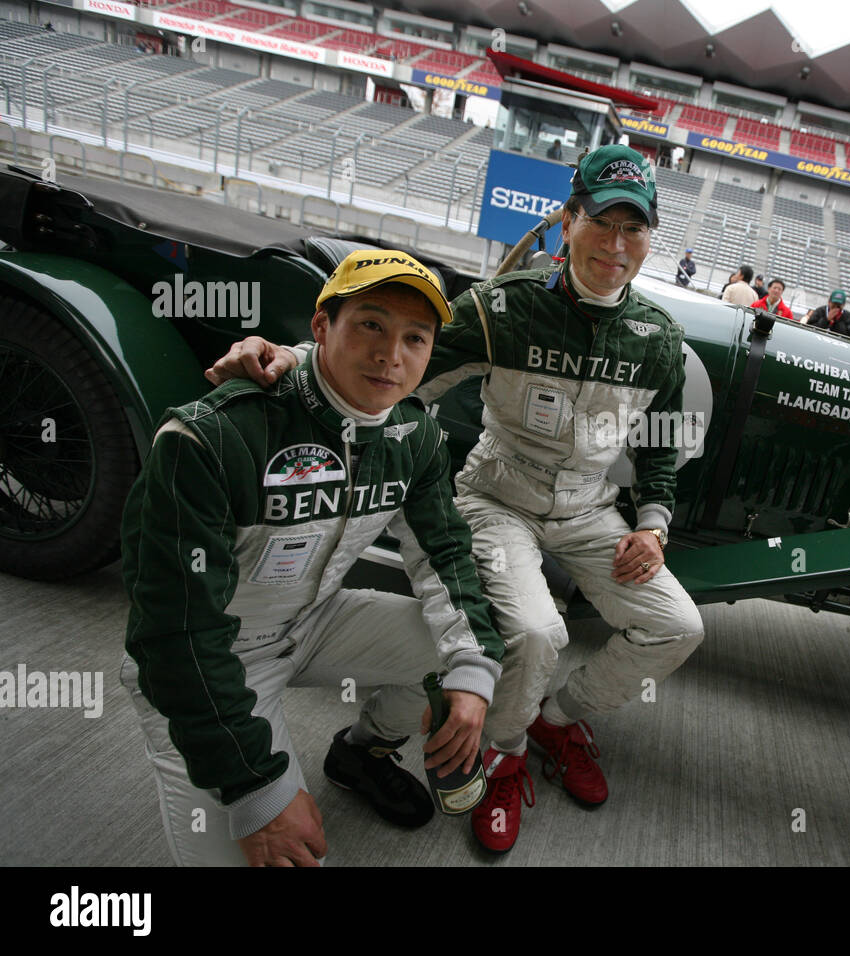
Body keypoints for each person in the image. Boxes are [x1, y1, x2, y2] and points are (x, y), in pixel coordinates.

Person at [209, 145, 705, 855]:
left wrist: (652, 525)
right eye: (602, 222)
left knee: (678, 626)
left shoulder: (658, 338)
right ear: (569, 222)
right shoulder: (506, 307)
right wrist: (293, 358)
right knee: (535, 633)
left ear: (651, 239)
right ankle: (503, 755)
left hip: (590, 509)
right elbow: (394, 362)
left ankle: (554, 721)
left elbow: (660, 443)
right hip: (498, 496)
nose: (617, 244)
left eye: (635, 229)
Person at [121, 251, 503, 866]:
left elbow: (446, 554)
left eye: (415, 338)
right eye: (371, 325)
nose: (391, 355)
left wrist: (473, 676)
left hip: (313, 622)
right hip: (210, 659)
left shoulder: (415, 438)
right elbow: (173, 633)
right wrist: (258, 789)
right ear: (321, 326)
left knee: (465, 650)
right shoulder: (214, 434)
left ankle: (361, 752)